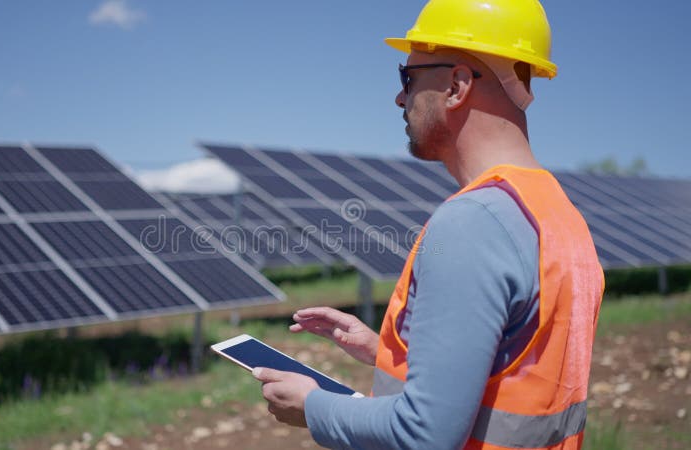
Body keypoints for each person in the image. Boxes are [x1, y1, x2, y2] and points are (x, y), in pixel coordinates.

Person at [252, 0, 605, 448]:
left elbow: (425, 435)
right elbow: (515, 368)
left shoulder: (475, 222)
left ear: (457, 85)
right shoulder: (556, 212)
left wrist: (313, 406)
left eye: (409, 77)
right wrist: (382, 352)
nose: (400, 97)